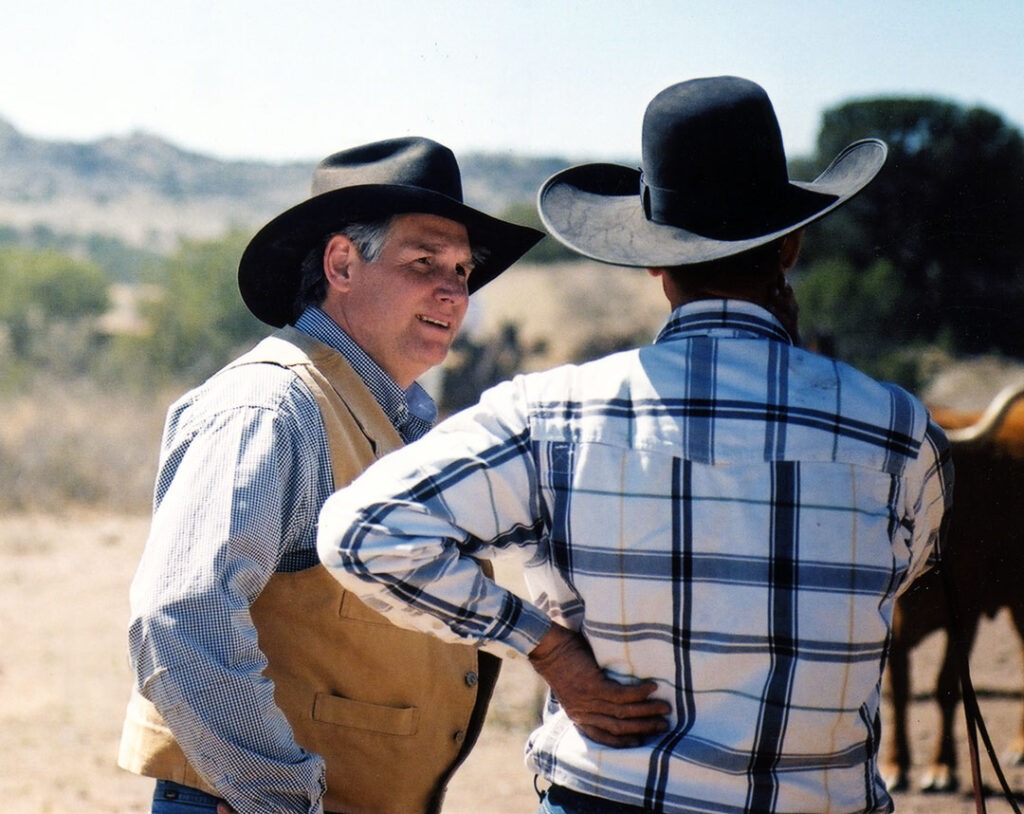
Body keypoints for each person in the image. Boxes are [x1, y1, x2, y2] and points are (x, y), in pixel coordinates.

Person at [315, 77, 954, 814]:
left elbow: (360, 531)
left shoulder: (549, 415)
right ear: (791, 246)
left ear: (653, 259)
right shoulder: (899, 430)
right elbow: (904, 573)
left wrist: (548, 650)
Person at [117, 137, 547, 814]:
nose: (453, 291)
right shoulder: (273, 406)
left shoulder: (387, 414)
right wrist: (278, 797)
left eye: (463, 272)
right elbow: (182, 616)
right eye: (425, 261)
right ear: (342, 263)